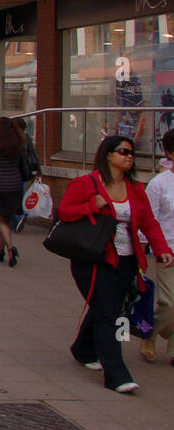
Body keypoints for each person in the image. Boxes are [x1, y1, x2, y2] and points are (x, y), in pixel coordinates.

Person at [61, 135, 173, 394]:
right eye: (123, 151)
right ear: (108, 155)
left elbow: (149, 224)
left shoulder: (135, 189)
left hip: (126, 261)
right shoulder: (86, 184)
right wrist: (92, 204)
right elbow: (65, 212)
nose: (129, 156)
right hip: (92, 259)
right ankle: (116, 373)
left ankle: (82, 348)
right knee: (109, 313)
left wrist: (162, 250)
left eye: (131, 152)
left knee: (106, 308)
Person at [144, 129, 174, 364]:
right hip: (168, 251)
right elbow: (149, 220)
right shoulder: (159, 184)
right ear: (169, 153)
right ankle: (150, 333)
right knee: (170, 303)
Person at [0, 117, 30, 267]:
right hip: (15, 187)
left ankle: (10, 248)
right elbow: (24, 166)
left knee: (0, 219)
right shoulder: (20, 145)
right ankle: (0, 251)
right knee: (7, 220)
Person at [10, 117, 40, 233]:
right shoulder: (27, 139)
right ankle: (18, 219)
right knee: (20, 197)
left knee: (12, 199)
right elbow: (33, 156)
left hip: (12, 174)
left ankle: (17, 220)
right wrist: (38, 172)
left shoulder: (11, 140)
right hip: (25, 173)